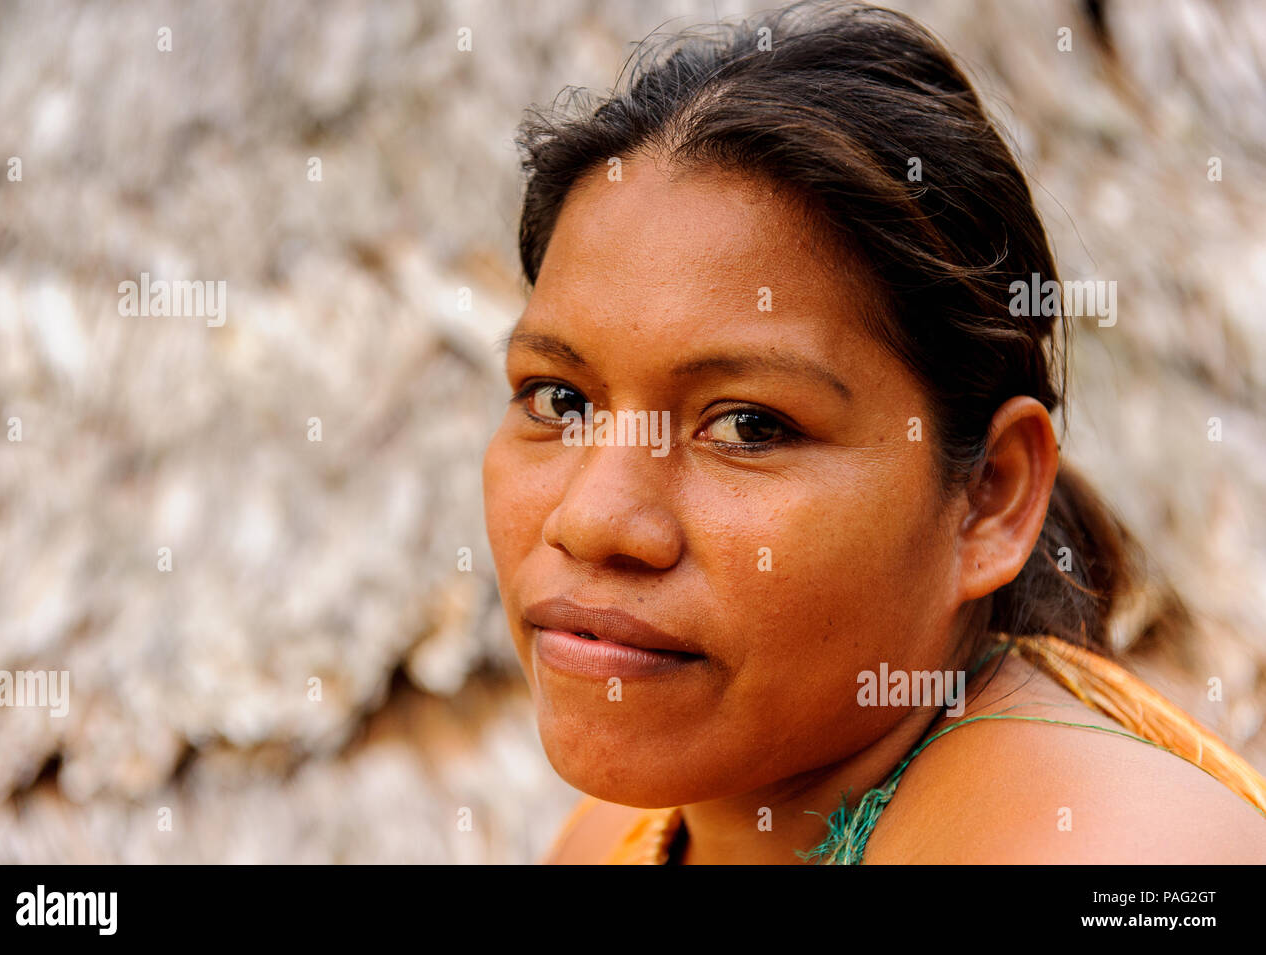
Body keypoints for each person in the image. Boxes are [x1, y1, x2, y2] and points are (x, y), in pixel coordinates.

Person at [479, 0, 1266, 864]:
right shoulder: (614, 838)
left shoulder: (1126, 860)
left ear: (989, 496)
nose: (591, 520)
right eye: (559, 401)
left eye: (748, 424)